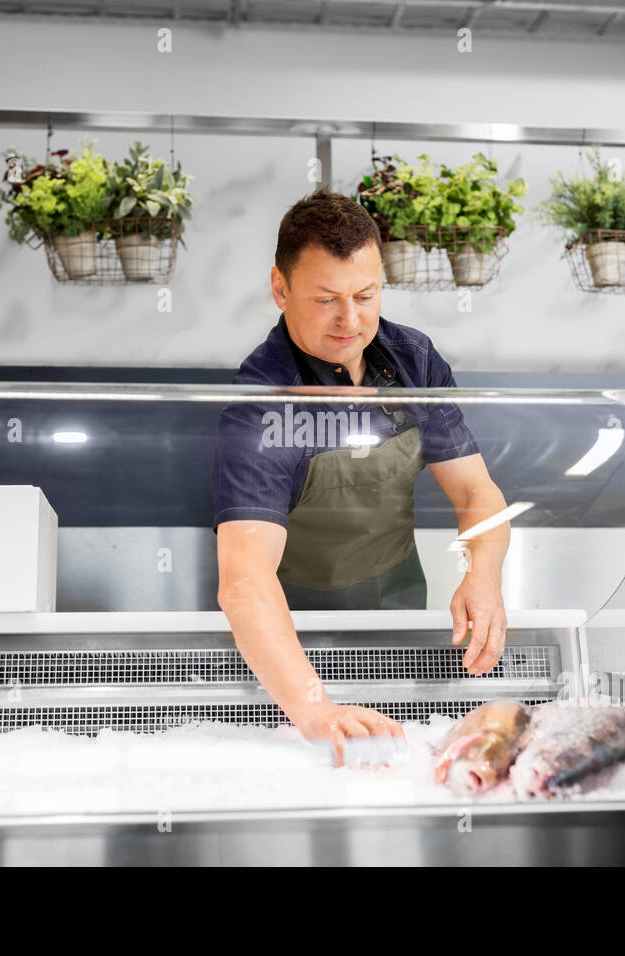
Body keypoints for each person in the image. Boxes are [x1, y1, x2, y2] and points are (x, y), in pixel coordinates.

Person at [213, 188, 512, 764]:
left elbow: (476, 491)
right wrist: (313, 707)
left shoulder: (413, 360)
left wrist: (484, 574)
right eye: (326, 299)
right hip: (287, 647)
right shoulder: (261, 398)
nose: (351, 321)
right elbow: (245, 582)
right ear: (280, 288)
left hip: (398, 622)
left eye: (365, 295)